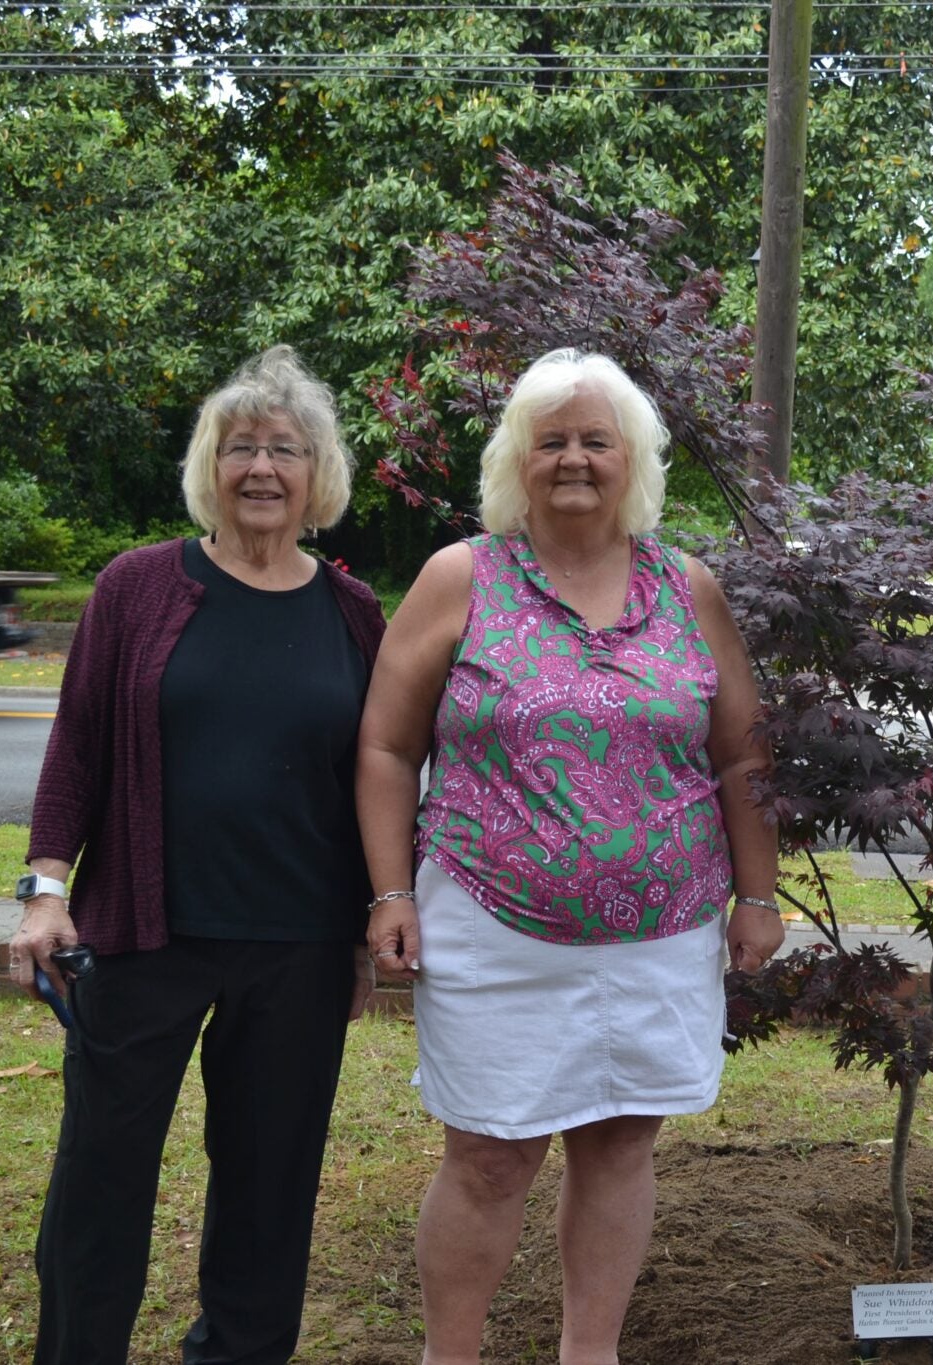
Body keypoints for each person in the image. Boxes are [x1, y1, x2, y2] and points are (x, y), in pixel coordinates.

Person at [356, 347, 784, 1365]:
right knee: (488, 1158)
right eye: (550, 441)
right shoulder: (460, 578)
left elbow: (742, 754)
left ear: (631, 459)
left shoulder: (687, 587)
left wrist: (758, 896)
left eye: (597, 440)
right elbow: (385, 747)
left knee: (622, 1145)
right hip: (491, 929)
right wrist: (388, 891)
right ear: (518, 459)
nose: (575, 459)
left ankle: (590, 1354)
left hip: (661, 936)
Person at [9, 345, 388, 1364]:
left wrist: (365, 925)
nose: (261, 468)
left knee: (270, 1188)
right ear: (209, 467)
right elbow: (77, 746)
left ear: (318, 474)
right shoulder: (137, 587)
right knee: (99, 1178)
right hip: (145, 936)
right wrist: (45, 890)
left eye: (285, 449)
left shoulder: (353, 614)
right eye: (240, 447)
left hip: (299, 947)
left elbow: (376, 772)